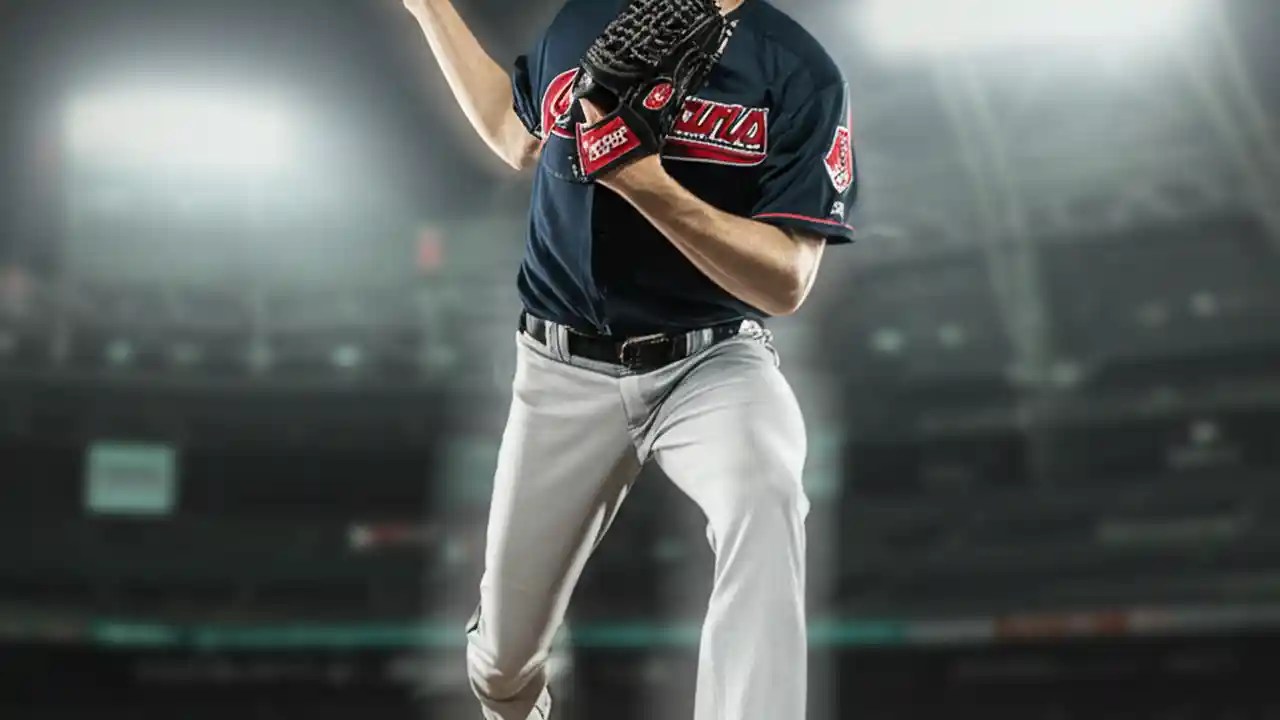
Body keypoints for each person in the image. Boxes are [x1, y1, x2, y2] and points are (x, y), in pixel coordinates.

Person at [402, 0, 857, 717]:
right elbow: (513, 135)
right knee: (501, 668)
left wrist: (645, 183)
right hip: (559, 371)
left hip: (711, 366)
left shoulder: (799, 70)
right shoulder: (585, 18)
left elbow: (787, 280)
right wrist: (429, 8)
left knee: (766, 493)